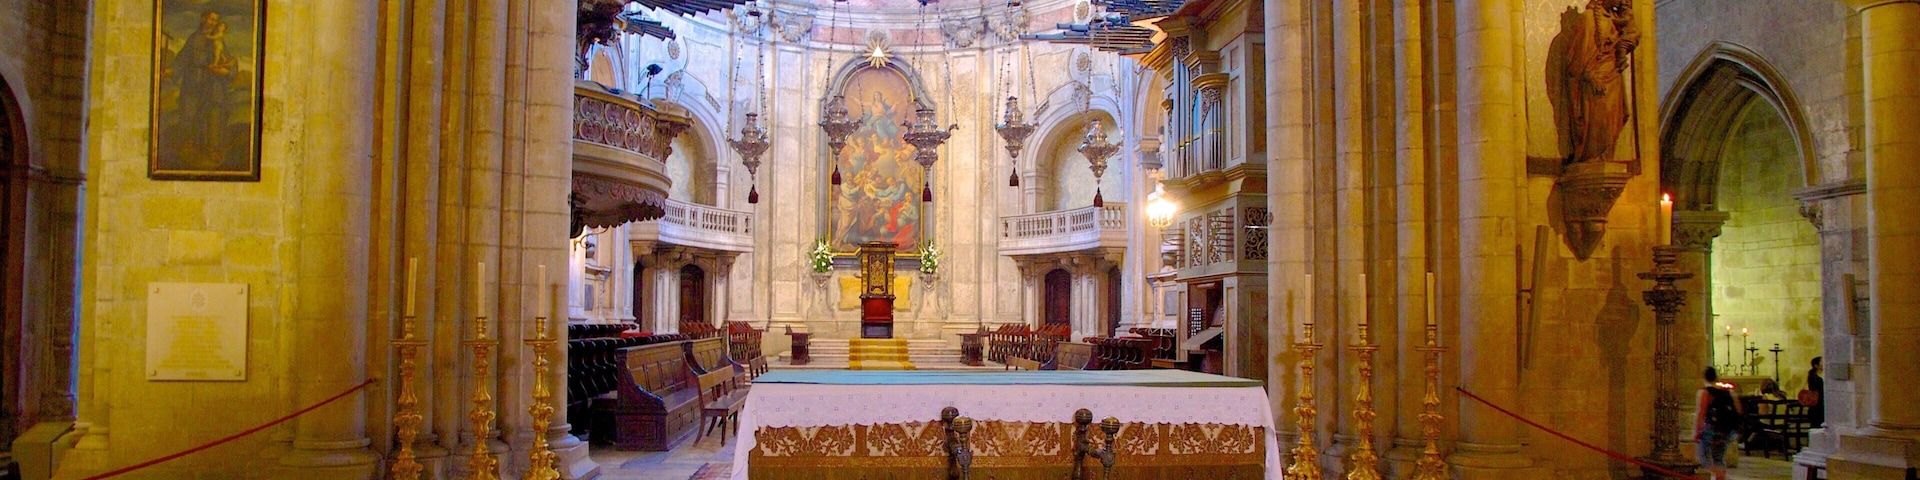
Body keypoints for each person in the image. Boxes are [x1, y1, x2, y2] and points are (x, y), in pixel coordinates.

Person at [1696, 367, 1744, 480]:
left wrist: (1698, 430)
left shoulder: (1705, 392)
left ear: (1704, 377)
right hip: (1725, 429)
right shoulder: (1728, 392)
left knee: (1702, 458)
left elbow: (1702, 412)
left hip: (1710, 430)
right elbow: (1739, 410)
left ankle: (1716, 473)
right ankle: (1720, 476)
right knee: (1719, 458)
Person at [1803, 356, 1825, 427]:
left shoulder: (1825, 374)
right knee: (1816, 425)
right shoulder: (1813, 376)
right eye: (1822, 362)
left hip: (1823, 403)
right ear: (1816, 365)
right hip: (1817, 404)